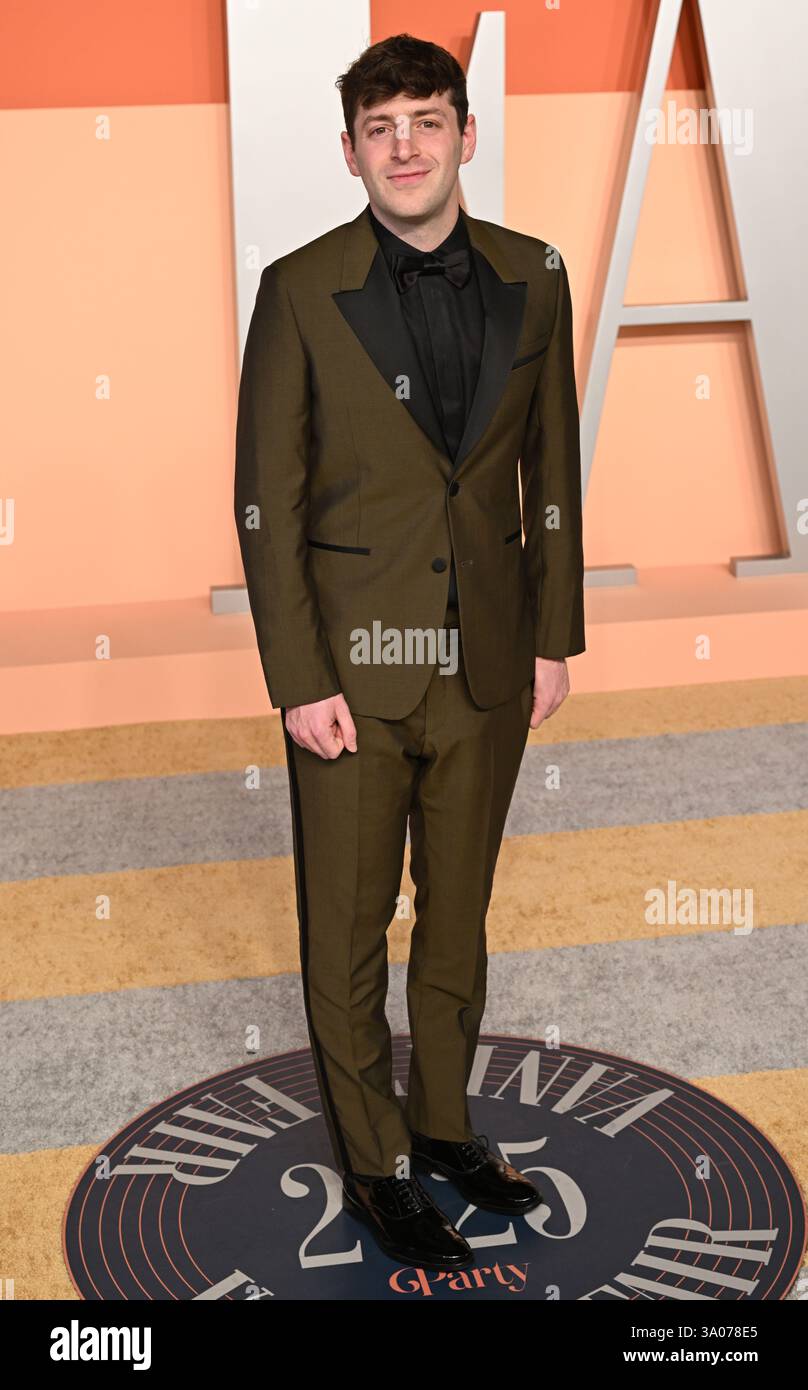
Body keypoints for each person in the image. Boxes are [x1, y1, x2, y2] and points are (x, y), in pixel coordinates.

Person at [234, 32, 585, 1272]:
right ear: (350, 152)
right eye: (379, 129)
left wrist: (552, 638)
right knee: (346, 932)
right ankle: (377, 1165)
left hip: (488, 661)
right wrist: (297, 679)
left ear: (464, 134)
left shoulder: (536, 274)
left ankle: (442, 1125)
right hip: (349, 676)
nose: (405, 147)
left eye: (427, 121)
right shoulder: (297, 288)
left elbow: (552, 471)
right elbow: (266, 501)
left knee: (457, 917)